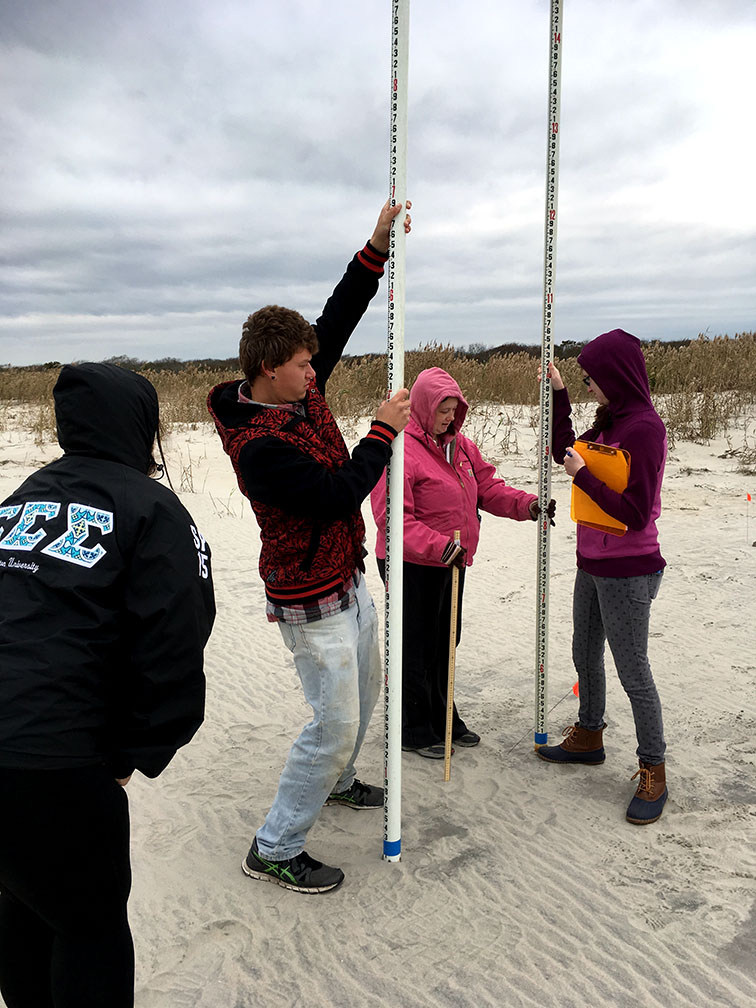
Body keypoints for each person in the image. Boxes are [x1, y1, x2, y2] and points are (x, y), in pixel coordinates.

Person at [207, 199, 412, 895]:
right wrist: (383, 431)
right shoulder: (259, 446)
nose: (314, 371)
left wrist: (376, 244)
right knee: (334, 721)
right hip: (306, 596)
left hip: (346, 576)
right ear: (268, 368)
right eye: (301, 364)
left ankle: (341, 782)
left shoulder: (297, 389)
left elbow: (339, 317)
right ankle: (274, 846)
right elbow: (335, 493)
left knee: (368, 689)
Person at [0, 363, 215, 1008]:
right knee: (89, 926)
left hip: (25, 747)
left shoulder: (21, 499)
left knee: (25, 896)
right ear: (143, 426)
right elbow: (176, 641)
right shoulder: (154, 508)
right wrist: (134, 752)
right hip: (59, 760)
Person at [370, 366, 552, 758]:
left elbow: (488, 488)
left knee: (446, 642)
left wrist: (528, 505)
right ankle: (412, 728)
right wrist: (438, 547)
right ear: (422, 407)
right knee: (414, 645)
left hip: (452, 560)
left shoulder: (462, 448)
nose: (449, 417)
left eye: (454, 409)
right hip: (413, 564)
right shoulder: (399, 450)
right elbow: (392, 520)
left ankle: (443, 717)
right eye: (442, 410)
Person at [535, 328, 669, 825]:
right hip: (590, 564)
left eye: (591, 378)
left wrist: (582, 476)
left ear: (616, 376)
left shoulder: (644, 430)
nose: (589, 384)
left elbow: (634, 513)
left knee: (633, 670)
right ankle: (589, 734)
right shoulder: (609, 423)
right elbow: (564, 450)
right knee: (583, 653)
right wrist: (561, 395)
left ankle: (653, 769)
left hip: (630, 570)